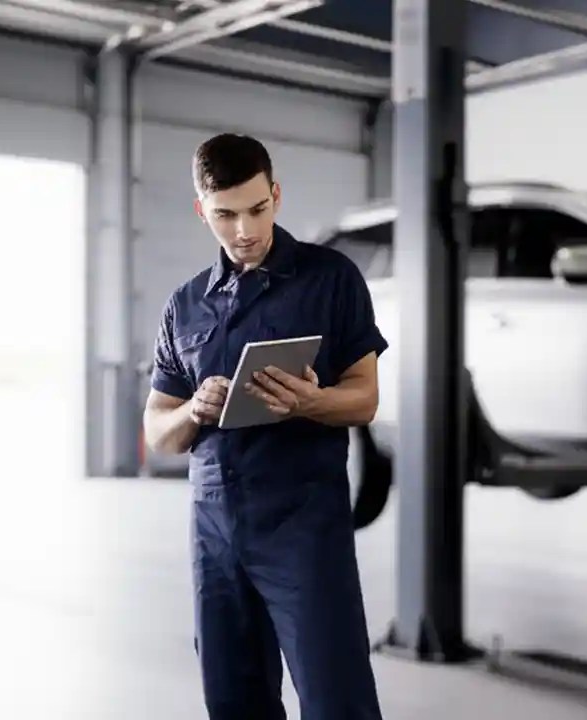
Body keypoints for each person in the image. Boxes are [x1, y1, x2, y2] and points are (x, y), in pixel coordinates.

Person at [142, 133, 387, 720]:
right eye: (225, 215)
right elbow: (157, 432)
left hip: (303, 526)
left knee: (337, 699)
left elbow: (365, 399)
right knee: (234, 701)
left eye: (257, 209)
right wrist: (193, 410)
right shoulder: (186, 305)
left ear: (276, 195)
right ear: (203, 210)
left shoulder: (331, 279)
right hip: (215, 531)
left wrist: (310, 401)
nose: (244, 230)